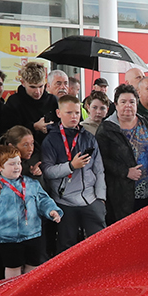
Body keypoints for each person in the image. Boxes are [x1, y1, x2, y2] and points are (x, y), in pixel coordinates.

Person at [0, 137, 62, 276]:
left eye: (19, 163)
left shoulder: (31, 184)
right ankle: (13, 293)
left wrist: (52, 211)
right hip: (7, 237)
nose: (17, 167)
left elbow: (43, 199)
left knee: (33, 266)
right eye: (12, 164)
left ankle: (29, 294)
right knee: (13, 267)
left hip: (32, 233)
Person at [41, 93, 106, 250]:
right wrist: (70, 166)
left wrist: (101, 198)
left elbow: (99, 169)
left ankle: (99, 274)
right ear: (59, 113)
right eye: (69, 112)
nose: (74, 116)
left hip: (91, 199)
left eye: (77, 112)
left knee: (100, 244)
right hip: (65, 201)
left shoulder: (88, 137)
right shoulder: (51, 140)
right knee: (66, 246)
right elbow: (47, 171)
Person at [97, 86, 148, 224]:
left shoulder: (145, 122)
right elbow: (101, 160)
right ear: (116, 105)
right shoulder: (106, 128)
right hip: (121, 192)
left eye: (132, 102)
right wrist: (125, 172)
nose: (128, 105)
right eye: (123, 101)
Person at [10, 61, 57, 141]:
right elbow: (9, 133)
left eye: (40, 86)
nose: (37, 91)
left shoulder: (53, 100)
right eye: (32, 87)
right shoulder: (14, 102)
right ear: (23, 83)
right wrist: (34, 127)